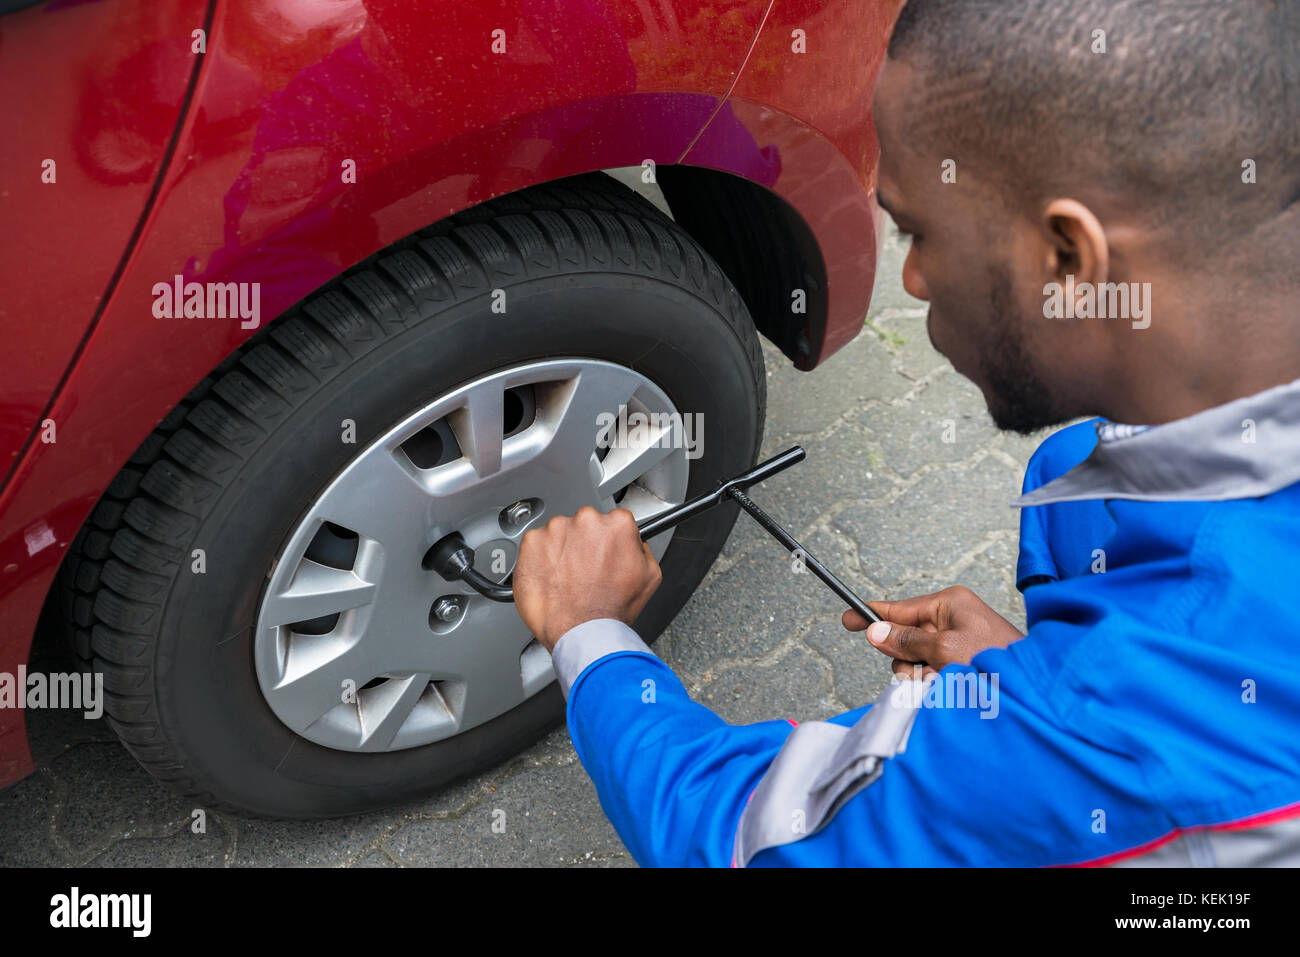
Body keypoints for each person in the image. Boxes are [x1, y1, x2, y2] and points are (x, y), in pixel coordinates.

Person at [511, 0, 1300, 866]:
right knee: (1072, 476)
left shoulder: (1123, 737)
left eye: (918, 233)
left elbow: (731, 831)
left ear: (1069, 259)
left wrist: (589, 633)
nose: (913, 280)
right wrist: (1038, 659)